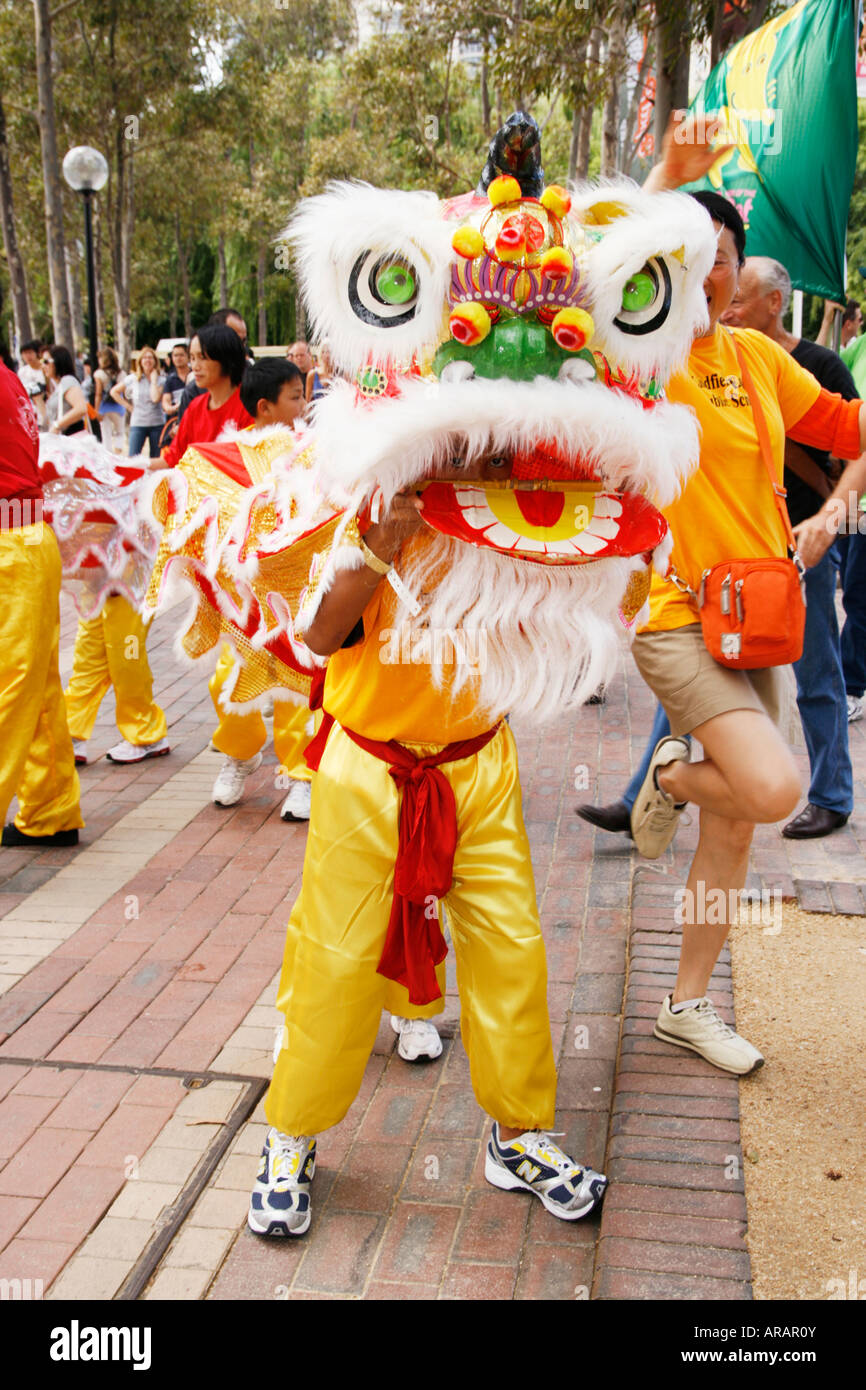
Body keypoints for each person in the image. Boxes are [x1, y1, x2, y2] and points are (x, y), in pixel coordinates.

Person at [594, 113, 866, 1077]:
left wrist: (833, 511)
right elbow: (601, 262)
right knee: (775, 787)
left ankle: (686, 1003)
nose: (708, 272)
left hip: (761, 620)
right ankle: (665, 778)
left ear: (741, 267)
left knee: (741, 820)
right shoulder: (637, 364)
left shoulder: (756, 359)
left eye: (721, 255)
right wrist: (671, 172)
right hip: (674, 619)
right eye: (687, 255)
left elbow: (851, 430)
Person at [720, 256, 861, 837]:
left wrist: (833, 518)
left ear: (774, 302)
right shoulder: (723, 359)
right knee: (703, 666)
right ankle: (646, 795)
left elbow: (853, 440)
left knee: (817, 672)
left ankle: (831, 794)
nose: (727, 310)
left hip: (802, 546)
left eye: (738, 299)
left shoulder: (820, 364)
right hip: (736, 548)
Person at [209, 358, 316, 822]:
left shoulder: (312, 452)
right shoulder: (230, 457)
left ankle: (302, 775)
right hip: (247, 600)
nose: (305, 404)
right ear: (264, 407)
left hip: (294, 595)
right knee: (228, 681)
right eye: (295, 396)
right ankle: (241, 753)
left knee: (298, 684)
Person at [0, 361, 83, 848]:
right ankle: (51, 807)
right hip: (26, 539)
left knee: (12, 689)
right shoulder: (8, 374)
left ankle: (50, 806)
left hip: (12, 544)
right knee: (35, 684)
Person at [159, 324, 254, 469]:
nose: (195, 366)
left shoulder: (249, 406)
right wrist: (131, 466)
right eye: (192, 358)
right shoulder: (195, 407)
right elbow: (172, 458)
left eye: (202, 358)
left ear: (226, 358)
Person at [176, 309, 251, 422]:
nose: (196, 366)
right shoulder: (194, 402)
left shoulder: (255, 390)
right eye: (192, 358)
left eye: (243, 341)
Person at [113, 345, 165, 457]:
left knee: (155, 458)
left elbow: (155, 398)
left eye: (150, 358)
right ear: (140, 361)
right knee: (133, 457)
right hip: (138, 422)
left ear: (155, 361)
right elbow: (114, 392)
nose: (148, 360)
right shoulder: (133, 379)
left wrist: (154, 380)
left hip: (157, 422)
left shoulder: (162, 380)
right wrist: (128, 406)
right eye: (145, 357)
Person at [43, 345, 89, 436]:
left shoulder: (67, 380)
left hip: (71, 439)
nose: (43, 366)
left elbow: (81, 408)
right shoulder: (59, 385)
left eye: (46, 361)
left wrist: (57, 425)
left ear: (58, 361)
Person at [93, 347, 126, 454]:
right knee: (120, 432)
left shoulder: (99, 373)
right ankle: (118, 453)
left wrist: (96, 410)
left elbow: (98, 394)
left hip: (104, 407)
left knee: (106, 433)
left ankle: (108, 455)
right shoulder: (122, 373)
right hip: (118, 406)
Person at [304, 341, 334, 406]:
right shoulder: (313, 374)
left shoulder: (340, 374)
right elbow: (308, 402)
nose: (327, 355)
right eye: (323, 352)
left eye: (329, 352)